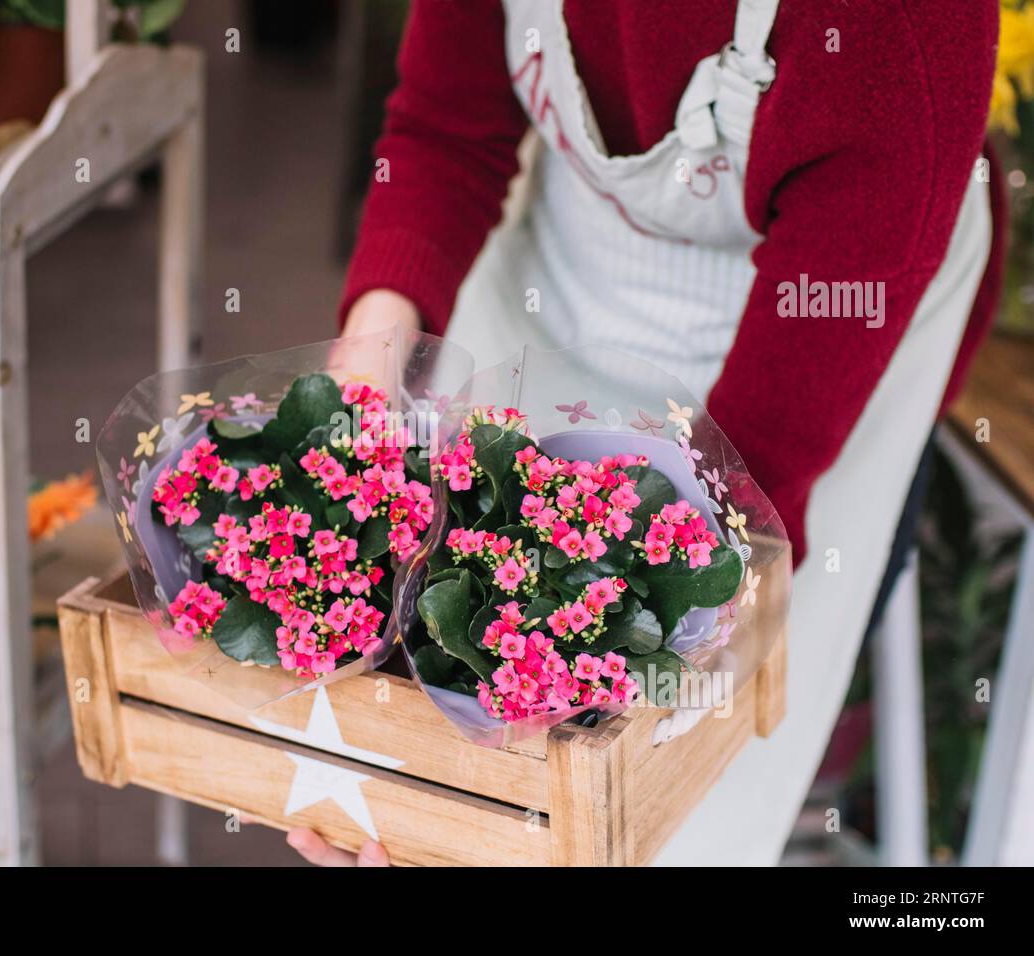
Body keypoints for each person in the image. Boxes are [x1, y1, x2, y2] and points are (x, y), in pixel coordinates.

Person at [293, 0, 1003, 866]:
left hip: (822, 315)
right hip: (572, 253)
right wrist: (368, 365)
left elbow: (749, 487)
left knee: (672, 792)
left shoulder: (901, 31)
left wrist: (545, 780)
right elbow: (448, 129)